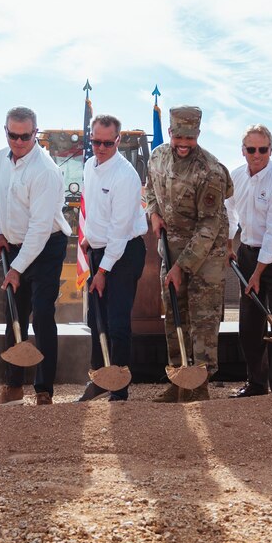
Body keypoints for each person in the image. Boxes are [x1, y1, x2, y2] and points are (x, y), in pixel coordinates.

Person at [144, 105, 232, 403]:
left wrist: (182, 266)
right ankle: (180, 381)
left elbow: (210, 225)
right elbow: (150, 190)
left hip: (207, 253)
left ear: (198, 134)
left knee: (203, 319)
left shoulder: (210, 169)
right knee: (174, 314)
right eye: (179, 136)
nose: (184, 144)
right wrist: (153, 213)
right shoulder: (157, 157)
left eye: (190, 138)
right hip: (171, 247)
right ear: (170, 132)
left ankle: (200, 386)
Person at [0, 106, 70, 406]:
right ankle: (13, 386)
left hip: (47, 245)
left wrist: (16, 269)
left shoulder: (45, 170)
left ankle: (44, 389)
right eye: (13, 135)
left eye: (25, 136)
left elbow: (39, 229)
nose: (18, 142)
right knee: (13, 315)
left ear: (36, 133)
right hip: (14, 244)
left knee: (43, 314)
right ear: (5, 131)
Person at [225, 124, 272, 397]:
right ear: (243, 150)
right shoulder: (236, 177)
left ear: (271, 150)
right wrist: (227, 241)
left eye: (263, 149)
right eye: (251, 149)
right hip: (248, 252)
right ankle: (256, 384)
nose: (257, 155)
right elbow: (229, 209)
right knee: (249, 324)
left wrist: (257, 274)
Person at [77, 115, 148, 402]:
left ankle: (119, 388)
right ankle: (99, 379)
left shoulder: (126, 176)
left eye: (108, 142)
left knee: (117, 322)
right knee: (95, 320)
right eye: (96, 141)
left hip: (124, 252)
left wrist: (103, 272)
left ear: (118, 140)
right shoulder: (88, 167)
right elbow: (93, 209)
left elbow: (119, 231)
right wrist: (87, 238)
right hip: (98, 251)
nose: (101, 147)